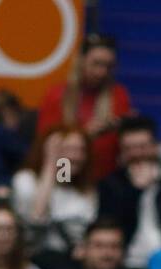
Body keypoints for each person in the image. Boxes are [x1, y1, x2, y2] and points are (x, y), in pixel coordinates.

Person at [36, 33, 134, 182]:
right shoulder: (58, 95)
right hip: (64, 174)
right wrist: (85, 134)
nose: (102, 72)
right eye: (96, 64)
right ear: (81, 61)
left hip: (104, 178)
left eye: (108, 66)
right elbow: (45, 143)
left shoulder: (118, 95)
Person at [96, 117, 161, 269]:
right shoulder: (111, 185)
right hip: (127, 263)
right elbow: (109, 227)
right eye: (129, 149)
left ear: (156, 146)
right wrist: (135, 192)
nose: (136, 154)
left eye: (142, 147)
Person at [11, 126, 98, 269]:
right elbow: (37, 218)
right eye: (67, 150)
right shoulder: (26, 180)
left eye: (81, 150)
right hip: (32, 260)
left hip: (72, 264)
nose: (75, 157)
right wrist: (51, 165)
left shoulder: (86, 191)